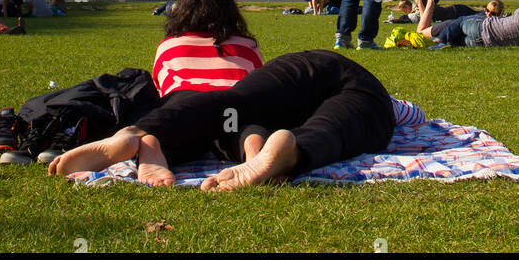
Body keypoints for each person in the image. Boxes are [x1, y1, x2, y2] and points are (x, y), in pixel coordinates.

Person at [48, 49, 399, 189]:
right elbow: (410, 113)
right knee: (332, 130)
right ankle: (289, 153)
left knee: (232, 103)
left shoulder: (171, 47)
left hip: (301, 70)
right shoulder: (242, 43)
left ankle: (140, 133)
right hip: (359, 88)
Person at [152, 0, 262, 96]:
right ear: (229, 10)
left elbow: (160, 90)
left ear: (183, 10)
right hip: (234, 109)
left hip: (183, 108)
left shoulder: (168, 47)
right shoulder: (248, 47)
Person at [430, 2, 519, 49]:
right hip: (485, 43)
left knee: (461, 21)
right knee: (458, 41)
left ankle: (438, 41)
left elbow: (518, 13)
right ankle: (444, 43)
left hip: (484, 27)